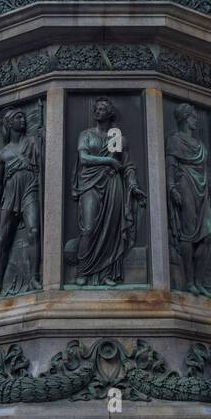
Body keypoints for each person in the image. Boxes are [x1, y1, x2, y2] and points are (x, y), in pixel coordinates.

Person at [66, 97, 146, 286]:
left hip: (112, 184)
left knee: (111, 230)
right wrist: (109, 161)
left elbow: (128, 165)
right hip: (90, 184)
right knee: (89, 228)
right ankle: (82, 270)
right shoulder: (86, 135)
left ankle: (107, 274)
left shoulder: (115, 136)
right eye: (96, 108)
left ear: (110, 114)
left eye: (102, 109)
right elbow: (84, 158)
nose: (98, 111)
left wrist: (133, 185)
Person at [0, 108, 42, 301]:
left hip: (30, 188)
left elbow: (43, 163)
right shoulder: (2, 154)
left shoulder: (32, 143)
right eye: (18, 117)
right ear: (9, 124)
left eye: (24, 117)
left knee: (34, 230)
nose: (23, 120)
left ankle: (35, 278)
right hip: (10, 194)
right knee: (3, 240)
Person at [166, 103, 211, 296]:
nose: (196, 120)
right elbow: (170, 164)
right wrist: (171, 187)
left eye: (196, 116)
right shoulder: (175, 140)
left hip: (202, 188)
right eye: (193, 117)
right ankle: (188, 282)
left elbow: (206, 168)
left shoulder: (201, 145)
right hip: (185, 184)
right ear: (185, 118)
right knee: (187, 233)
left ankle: (198, 280)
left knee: (208, 235)